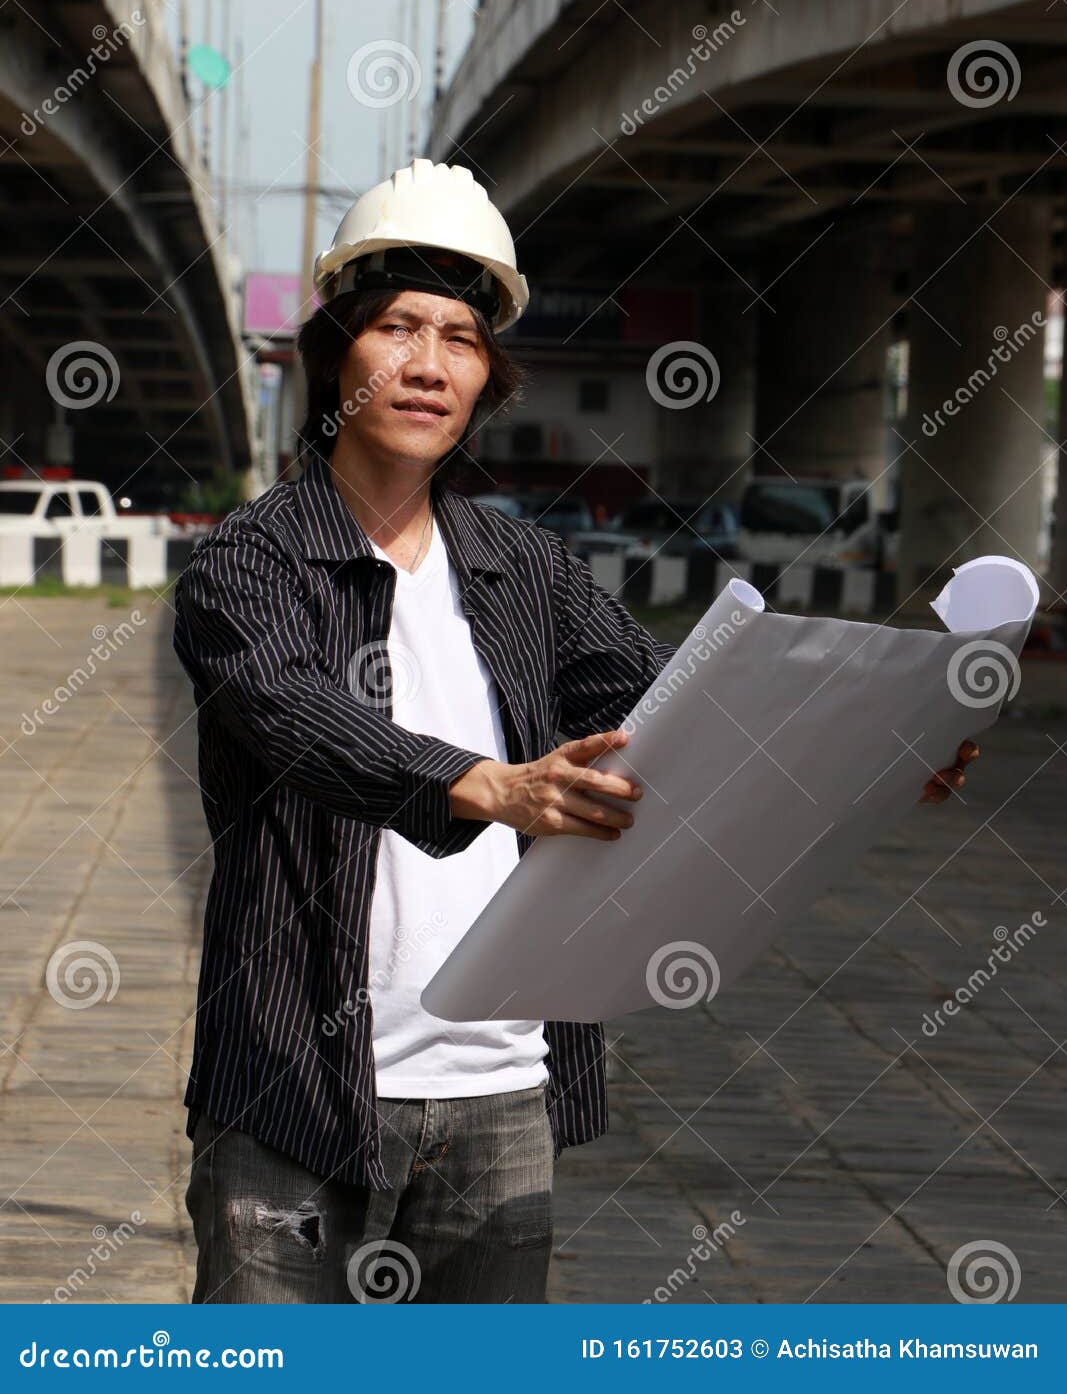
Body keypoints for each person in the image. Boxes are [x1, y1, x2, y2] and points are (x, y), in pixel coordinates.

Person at [172, 158, 977, 1305]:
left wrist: (878, 745)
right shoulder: (250, 560)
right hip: (295, 1092)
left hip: (501, 1092)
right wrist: (489, 785)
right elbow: (295, 714)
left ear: (488, 376)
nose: (427, 364)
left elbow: (685, 707)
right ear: (332, 356)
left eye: (459, 338)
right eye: (396, 328)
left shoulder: (524, 569)